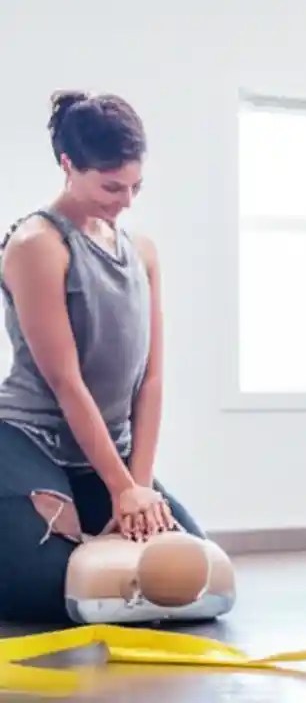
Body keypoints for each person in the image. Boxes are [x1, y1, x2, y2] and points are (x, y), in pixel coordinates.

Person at [0, 91, 197, 623]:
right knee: (44, 589)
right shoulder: (36, 245)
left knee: (189, 577)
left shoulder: (143, 251)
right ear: (68, 165)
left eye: (135, 186)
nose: (126, 199)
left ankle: (85, 521)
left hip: (108, 449)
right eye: (111, 186)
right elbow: (66, 381)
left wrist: (139, 487)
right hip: (28, 438)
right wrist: (119, 488)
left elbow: (151, 379)